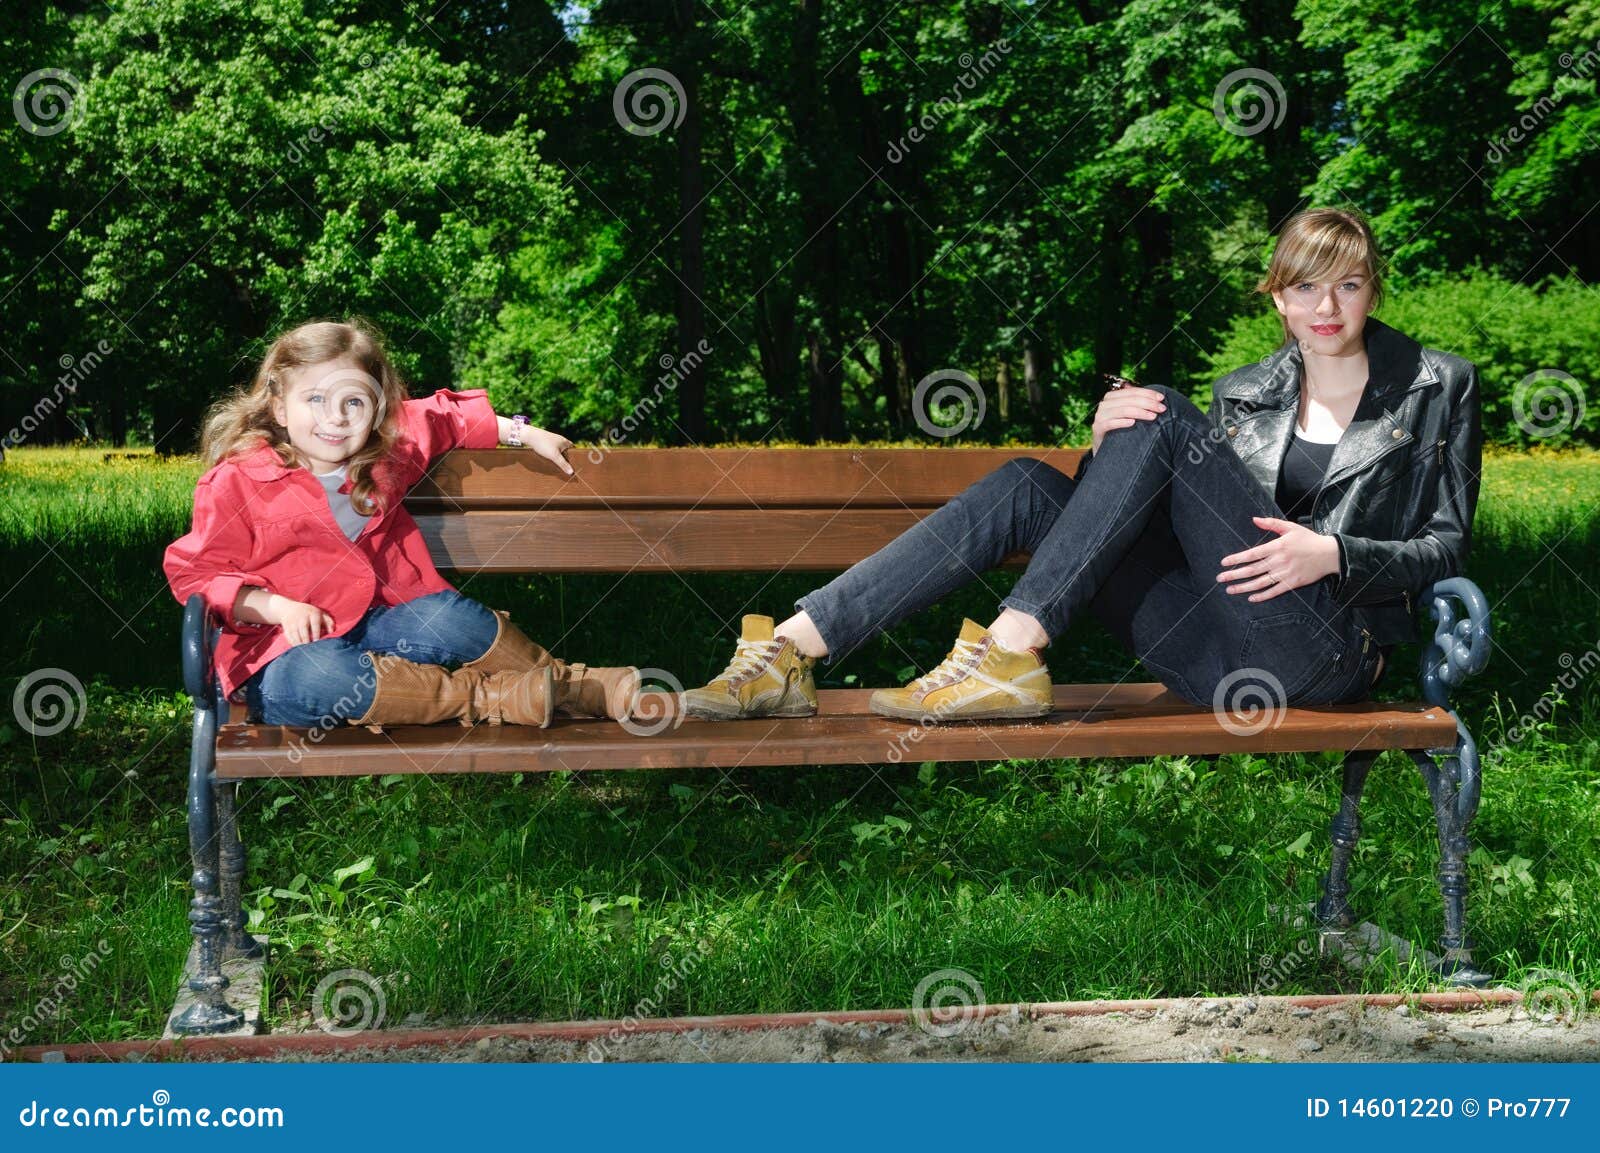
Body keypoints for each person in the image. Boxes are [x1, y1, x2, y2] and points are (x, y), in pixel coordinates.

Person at [682, 208, 1482, 722]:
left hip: (1327, 648)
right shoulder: (1244, 393)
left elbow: (1445, 546)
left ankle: (1009, 655)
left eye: (1348, 284)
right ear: (1277, 298)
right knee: (1035, 481)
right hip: (1211, 650)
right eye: (1306, 287)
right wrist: (1107, 447)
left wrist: (1333, 552)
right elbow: (1188, 519)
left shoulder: (1435, 386)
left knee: (1160, 409)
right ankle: (789, 651)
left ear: (1373, 289)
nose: (1327, 308)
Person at [164, 318, 639, 729]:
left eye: (354, 402)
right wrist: (277, 608)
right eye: (315, 399)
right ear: (279, 406)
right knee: (321, 678)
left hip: (381, 625)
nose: (336, 418)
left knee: (447, 619)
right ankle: (493, 699)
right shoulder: (236, 481)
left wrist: (524, 432)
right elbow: (198, 575)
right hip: (282, 651)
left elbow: (440, 418)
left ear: (376, 412)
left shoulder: (385, 458)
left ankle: (571, 687)